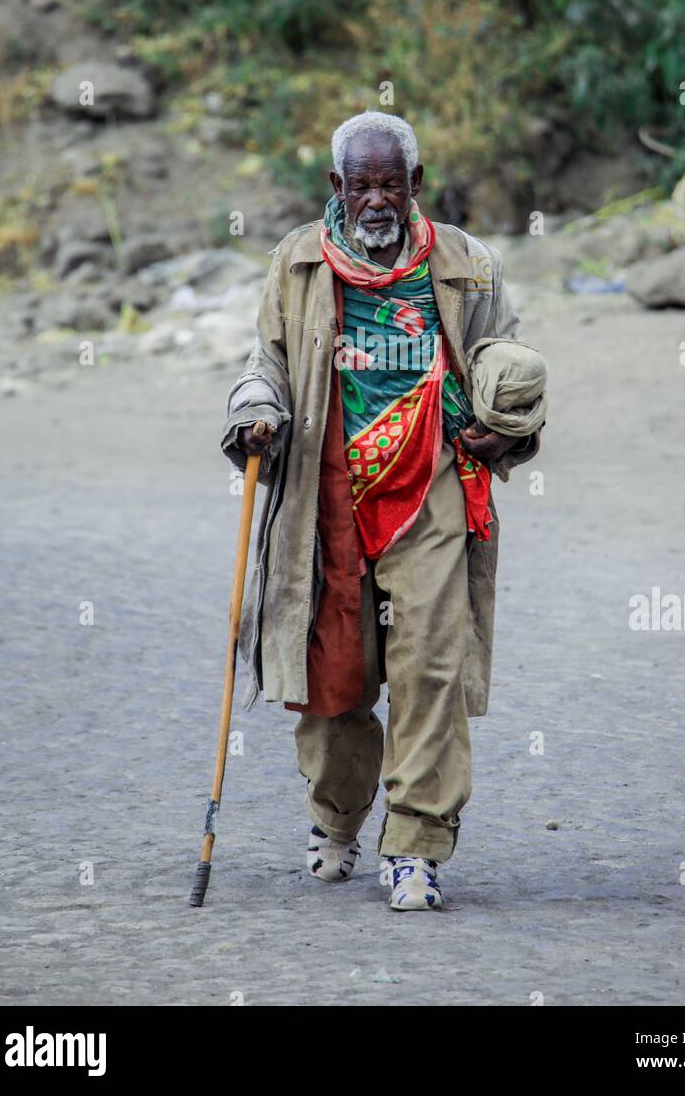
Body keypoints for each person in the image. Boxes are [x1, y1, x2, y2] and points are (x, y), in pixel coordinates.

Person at [221, 110, 546, 910]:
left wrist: (511, 426)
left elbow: (507, 360)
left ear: (415, 186)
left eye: (390, 184)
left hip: (433, 492)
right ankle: (336, 821)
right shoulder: (297, 264)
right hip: (326, 502)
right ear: (336, 187)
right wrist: (256, 408)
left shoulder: (466, 264)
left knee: (430, 670)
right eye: (360, 184)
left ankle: (415, 849)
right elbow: (266, 361)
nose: (376, 200)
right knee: (336, 684)